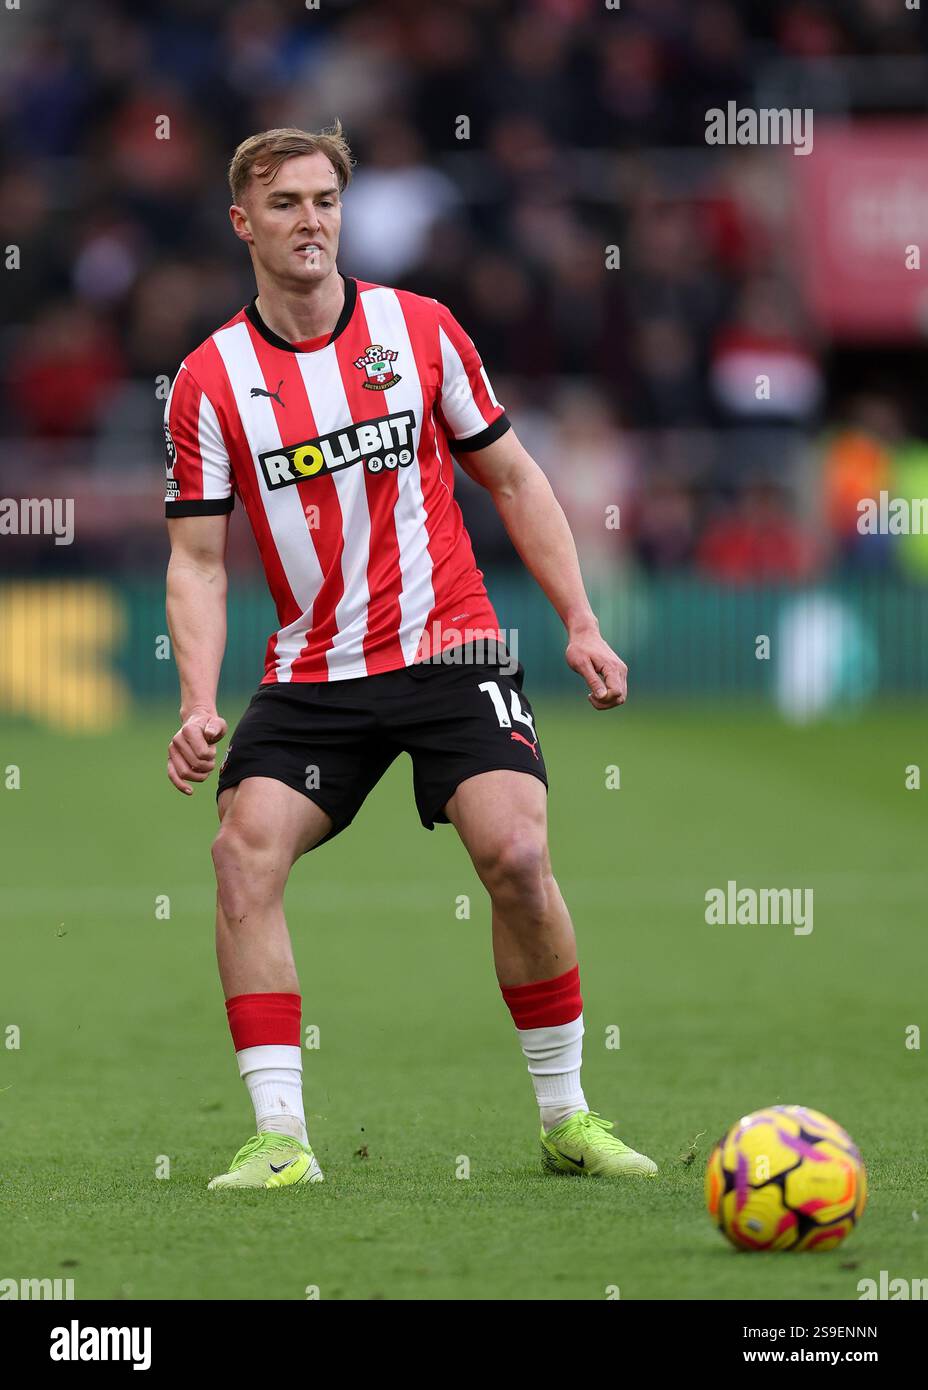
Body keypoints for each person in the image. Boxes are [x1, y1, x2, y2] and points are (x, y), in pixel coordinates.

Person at [163, 122, 657, 1189]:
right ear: (242, 222)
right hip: (310, 671)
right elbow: (197, 562)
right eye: (286, 203)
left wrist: (580, 620)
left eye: (325, 200)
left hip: (450, 644)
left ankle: (567, 1116)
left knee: (517, 855)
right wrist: (198, 699)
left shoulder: (418, 329)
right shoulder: (209, 380)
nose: (311, 221)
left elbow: (516, 479)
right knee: (241, 854)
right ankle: (282, 1138)